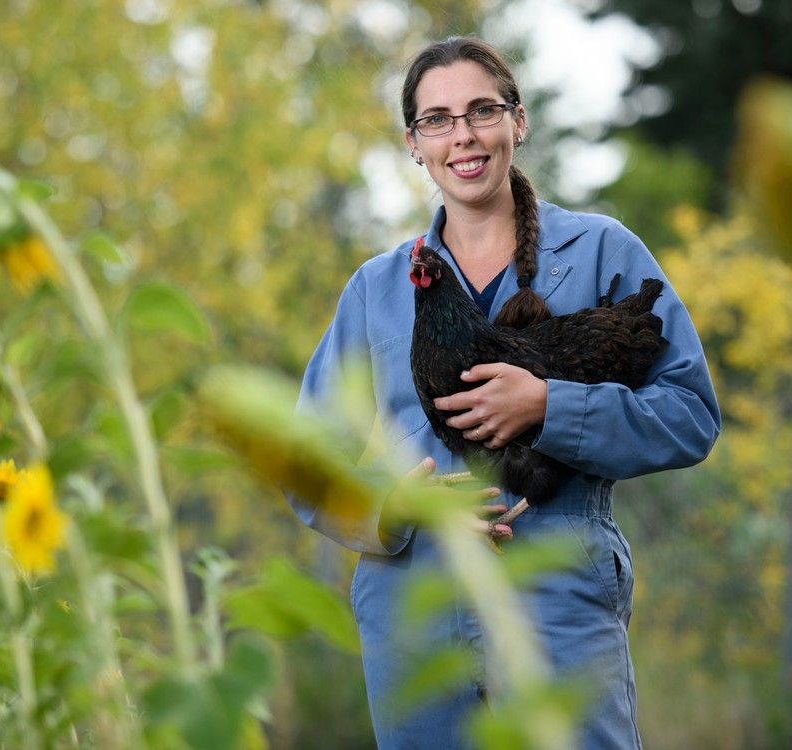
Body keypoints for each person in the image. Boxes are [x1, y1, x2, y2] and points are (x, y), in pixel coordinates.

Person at [289, 36, 720, 749]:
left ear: (518, 121)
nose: (462, 135)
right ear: (414, 144)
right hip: (415, 607)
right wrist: (396, 505)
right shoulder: (377, 288)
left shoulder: (602, 252)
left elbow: (689, 414)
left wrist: (551, 406)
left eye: (481, 110)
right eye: (437, 119)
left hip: (558, 600)